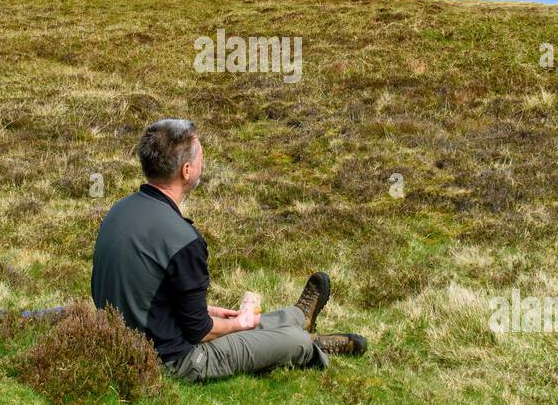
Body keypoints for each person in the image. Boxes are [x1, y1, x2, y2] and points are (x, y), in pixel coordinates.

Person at [91, 118, 368, 382]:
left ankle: (297, 317)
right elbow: (199, 331)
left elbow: (149, 291)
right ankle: (308, 343)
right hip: (174, 360)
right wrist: (238, 324)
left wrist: (207, 311)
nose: (203, 160)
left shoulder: (119, 210)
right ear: (186, 170)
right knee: (288, 342)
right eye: (200, 155)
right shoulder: (183, 240)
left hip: (133, 337)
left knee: (236, 321)